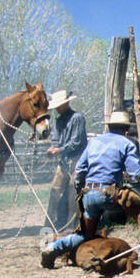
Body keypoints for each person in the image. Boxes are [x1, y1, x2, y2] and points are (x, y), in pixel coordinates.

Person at [40, 111, 140, 268]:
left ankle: (53, 248)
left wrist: (81, 189)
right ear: (126, 129)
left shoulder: (93, 142)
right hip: (111, 193)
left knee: (85, 234)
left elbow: (80, 170)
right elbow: (137, 173)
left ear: (109, 127)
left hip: (88, 193)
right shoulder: (126, 143)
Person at [44, 89, 86, 236]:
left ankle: (72, 225)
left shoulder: (77, 118)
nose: (56, 108)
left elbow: (76, 142)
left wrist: (59, 150)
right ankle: (49, 225)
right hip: (63, 162)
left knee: (73, 192)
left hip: (77, 161)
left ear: (66, 104)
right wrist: (53, 148)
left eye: (58, 105)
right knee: (55, 190)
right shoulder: (58, 120)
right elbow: (55, 139)